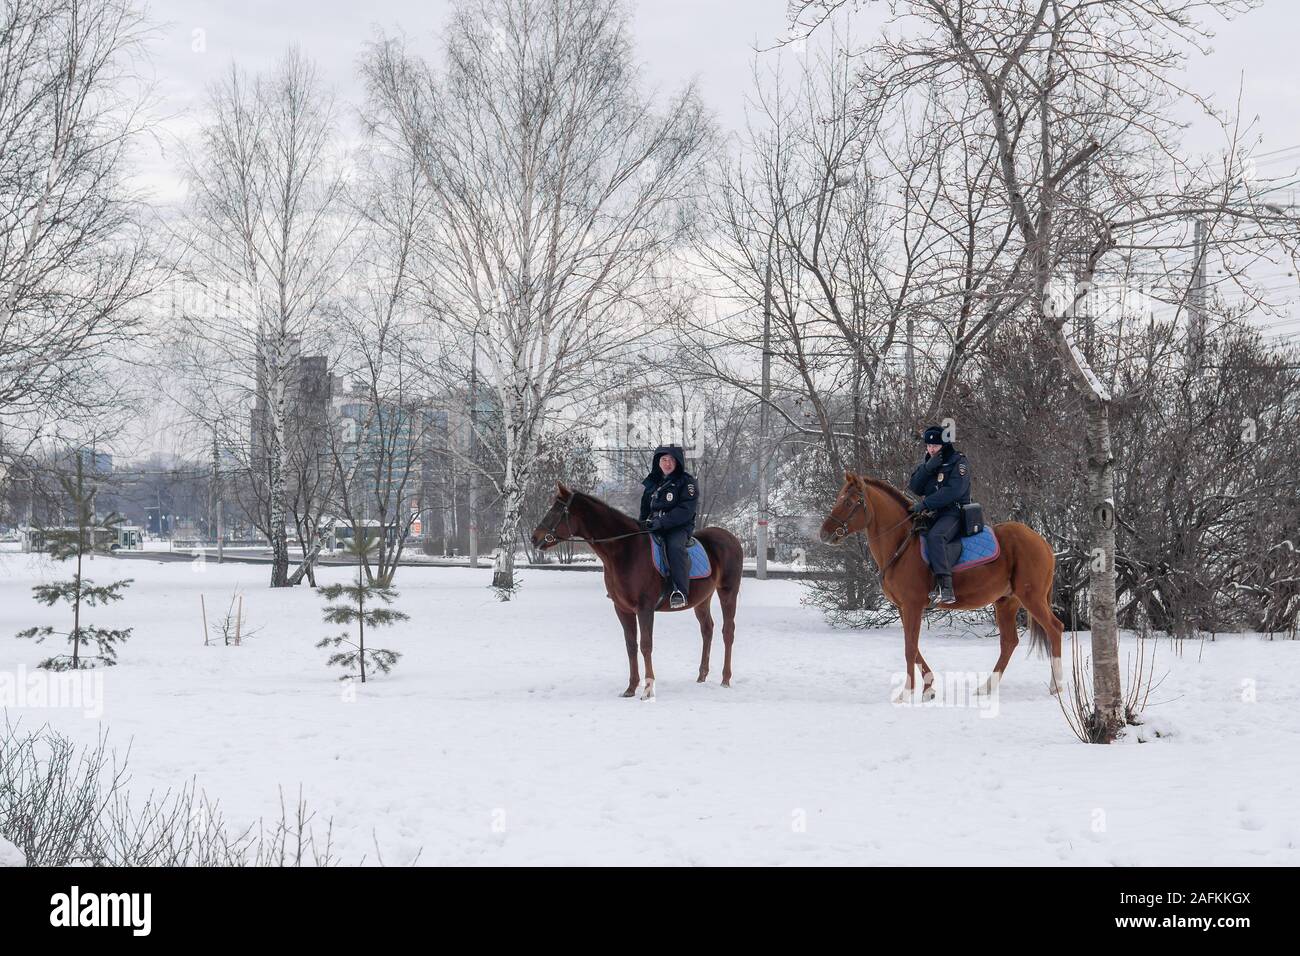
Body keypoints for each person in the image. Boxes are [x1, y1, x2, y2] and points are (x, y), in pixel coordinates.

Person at [907, 424, 971, 606]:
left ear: (944, 445)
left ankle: (946, 586)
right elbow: (915, 487)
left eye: (935, 446)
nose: (931, 449)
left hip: (954, 512)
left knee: (936, 536)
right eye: (928, 445)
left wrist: (926, 503)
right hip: (933, 514)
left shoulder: (958, 461)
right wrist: (927, 469)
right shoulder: (929, 463)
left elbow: (954, 490)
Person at [639, 444, 699, 609]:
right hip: (653, 525)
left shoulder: (687, 483)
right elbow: (644, 509)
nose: (667, 463)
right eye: (664, 459)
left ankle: (680, 591)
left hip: (679, 527)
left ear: (678, 462)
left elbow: (685, 511)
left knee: (674, 547)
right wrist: (640, 525)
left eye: (671, 460)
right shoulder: (652, 482)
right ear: (658, 462)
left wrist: (662, 522)